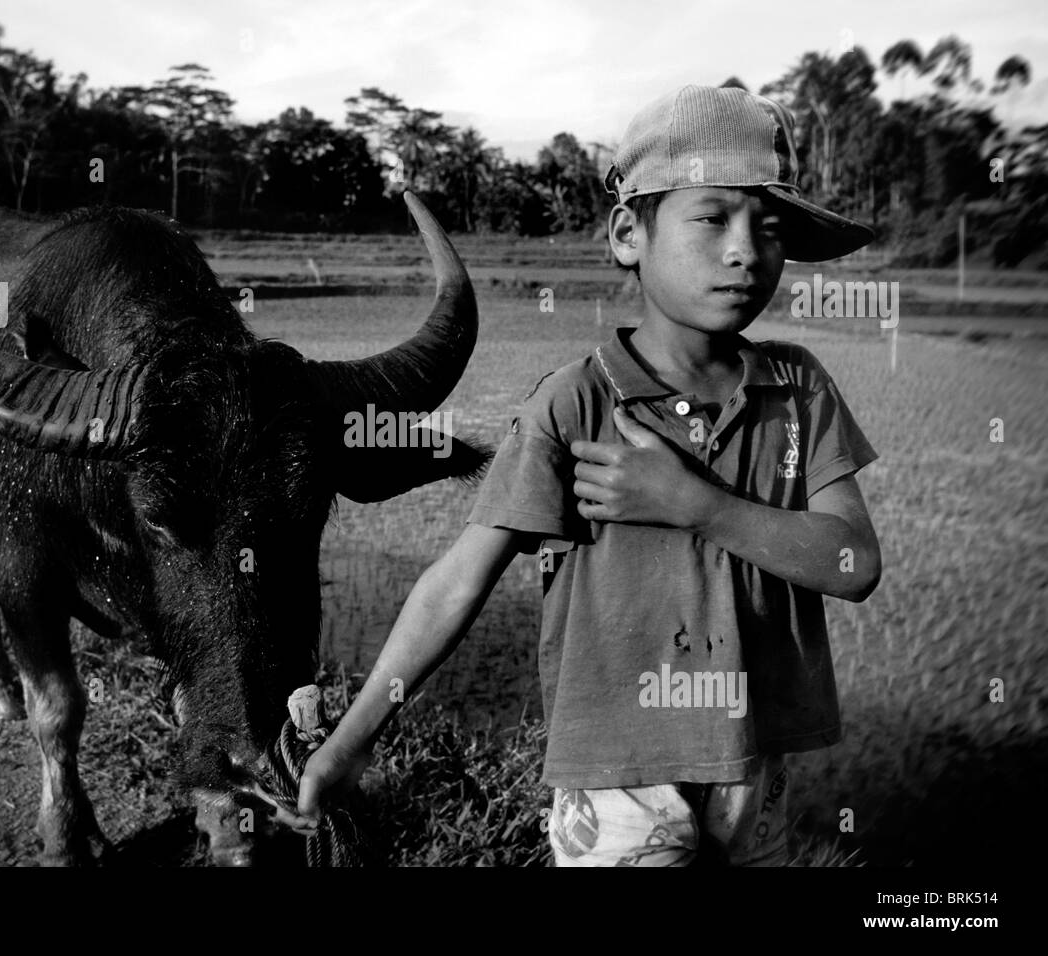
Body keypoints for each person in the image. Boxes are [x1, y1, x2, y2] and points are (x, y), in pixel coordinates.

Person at [290, 84, 882, 866]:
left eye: (768, 228)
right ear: (629, 234)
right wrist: (348, 742)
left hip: (752, 756)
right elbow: (457, 582)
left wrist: (696, 504)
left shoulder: (799, 388)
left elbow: (854, 564)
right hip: (617, 779)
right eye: (711, 218)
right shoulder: (574, 404)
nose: (746, 250)